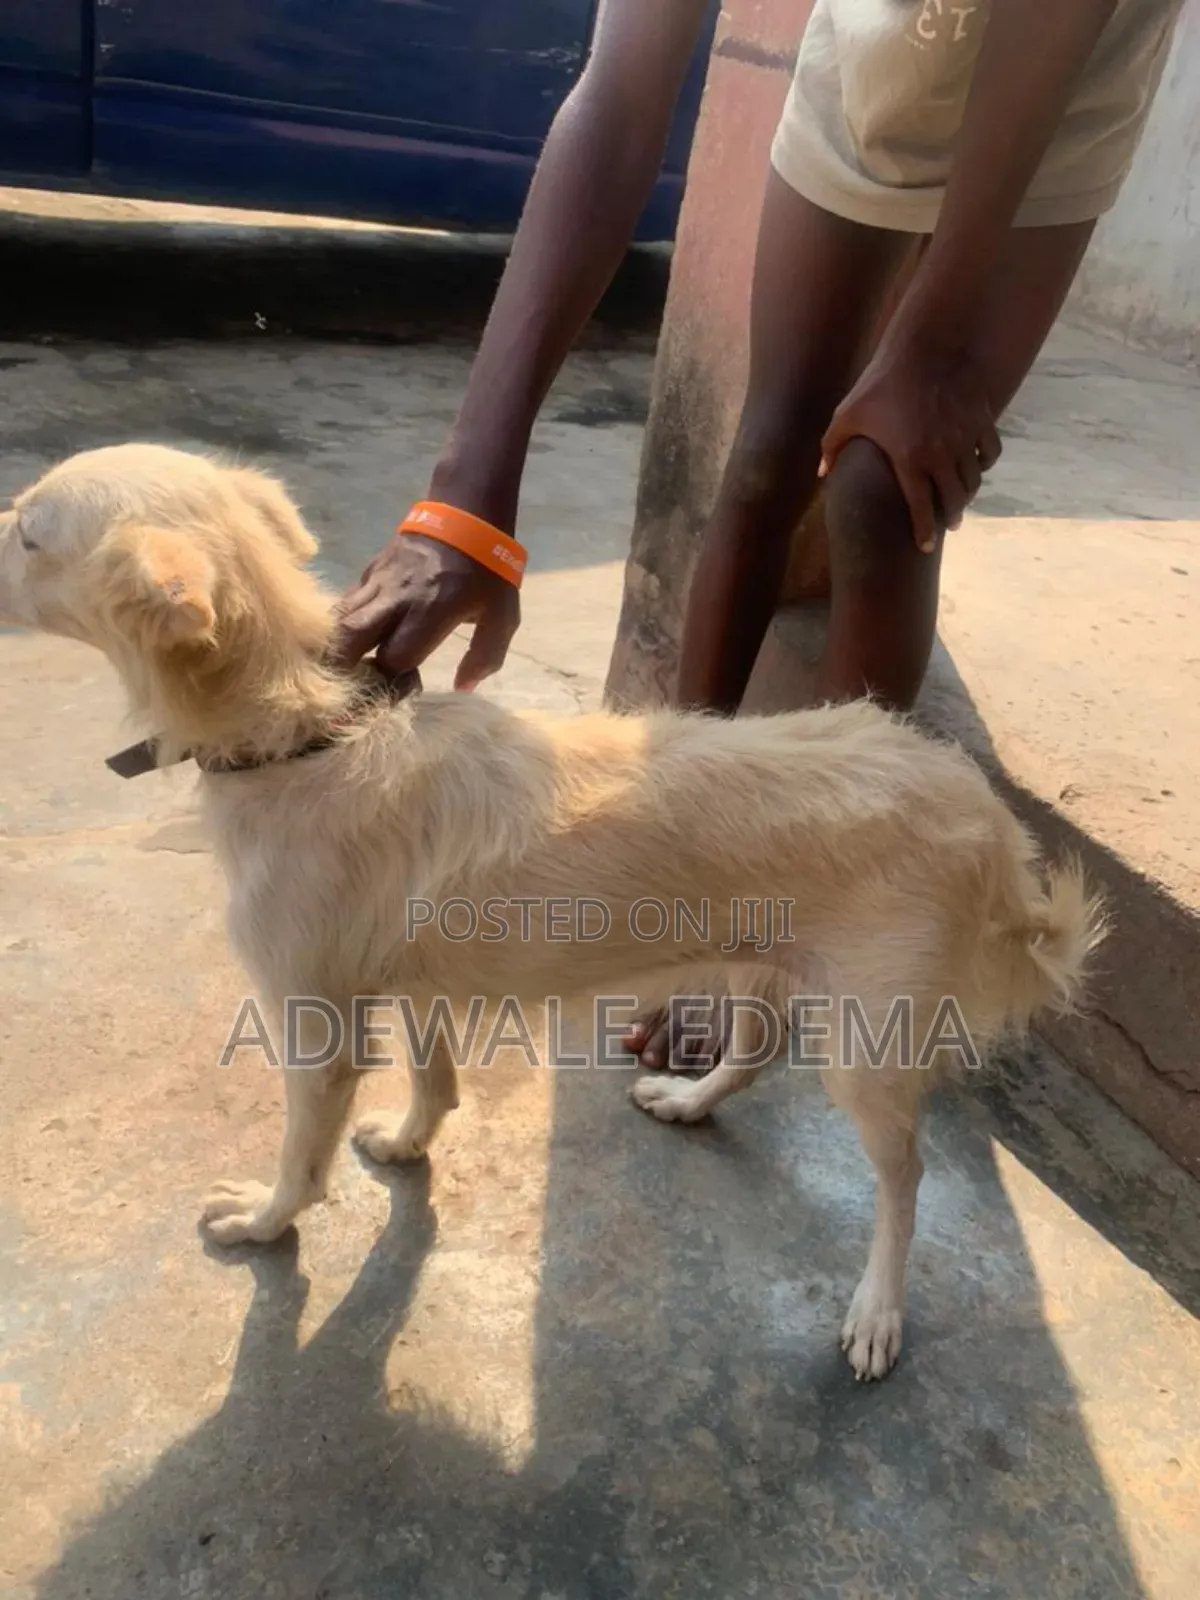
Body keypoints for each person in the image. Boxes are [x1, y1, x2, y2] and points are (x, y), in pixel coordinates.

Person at [336, 0, 1182, 1065]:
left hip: (1056, 89)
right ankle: (690, 870)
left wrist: (926, 344)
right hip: (875, 65)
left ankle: (814, 907)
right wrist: (464, 503)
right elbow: (618, 92)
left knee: (880, 492)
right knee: (766, 460)